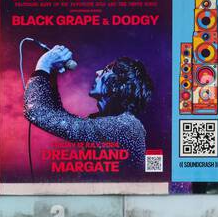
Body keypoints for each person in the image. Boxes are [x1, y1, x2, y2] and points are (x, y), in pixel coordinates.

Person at [25, 46, 153, 175]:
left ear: (117, 85)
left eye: (107, 69)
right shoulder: (120, 123)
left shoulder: (125, 127)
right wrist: (51, 73)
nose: (98, 71)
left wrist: (43, 65)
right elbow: (56, 115)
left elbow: (38, 113)